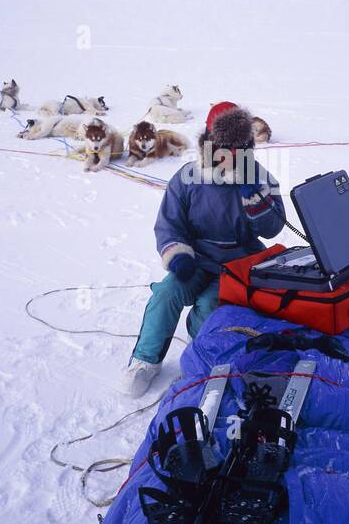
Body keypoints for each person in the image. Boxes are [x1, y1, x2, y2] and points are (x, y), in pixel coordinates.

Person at [117, 102, 285, 396]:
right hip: (195, 259)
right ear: (209, 143)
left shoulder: (259, 177)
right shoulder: (187, 177)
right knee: (166, 293)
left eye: (239, 146)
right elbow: (169, 224)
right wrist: (178, 254)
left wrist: (254, 197)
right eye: (224, 145)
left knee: (209, 306)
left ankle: (199, 358)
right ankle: (145, 361)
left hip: (237, 263)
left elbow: (272, 228)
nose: (231, 153)